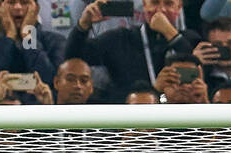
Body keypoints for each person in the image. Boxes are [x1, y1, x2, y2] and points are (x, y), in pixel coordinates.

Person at [66, 0, 199, 102]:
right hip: (128, 123)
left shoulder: (191, 40)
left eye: (169, 3)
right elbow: (74, 57)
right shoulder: (120, 39)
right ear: (144, 5)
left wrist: (171, 34)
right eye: (154, 2)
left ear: (179, 7)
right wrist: (83, 25)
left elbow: (199, 69)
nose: (161, 10)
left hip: (178, 125)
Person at [0, 0, 66, 98]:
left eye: (24, 2)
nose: (18, 7)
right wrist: (10, 37)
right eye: (11, 2)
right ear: (1, 9)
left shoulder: (56, 41)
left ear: (37, 9)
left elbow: (49, 80)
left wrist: (28, 36)